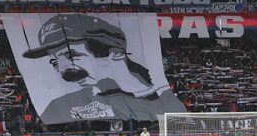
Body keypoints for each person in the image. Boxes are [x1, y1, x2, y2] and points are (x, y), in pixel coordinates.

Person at [20, 14, 186, 124]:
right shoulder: (57, 105)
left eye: (72, 55)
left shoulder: (167, 100)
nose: (63, 71)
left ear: (113, 53)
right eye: (55, 62)